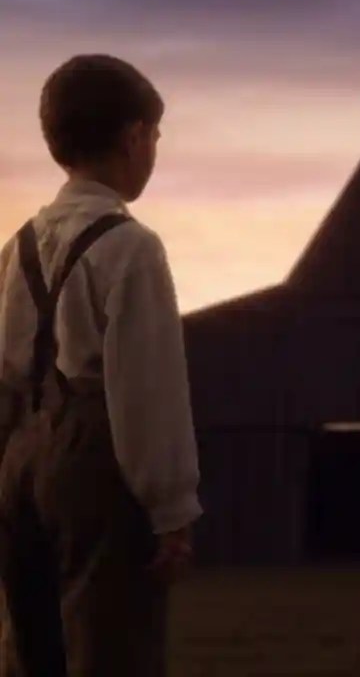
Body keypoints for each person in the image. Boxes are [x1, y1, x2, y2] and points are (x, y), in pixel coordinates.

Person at [0, 55, 202, 676]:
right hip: (95, 459)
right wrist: (171, 509)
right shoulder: (132, 246)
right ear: (134, 136)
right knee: (112, 647)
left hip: (20, 456)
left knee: (32, 650)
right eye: (155, 137)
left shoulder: (16, 247)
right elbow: (146, 391)